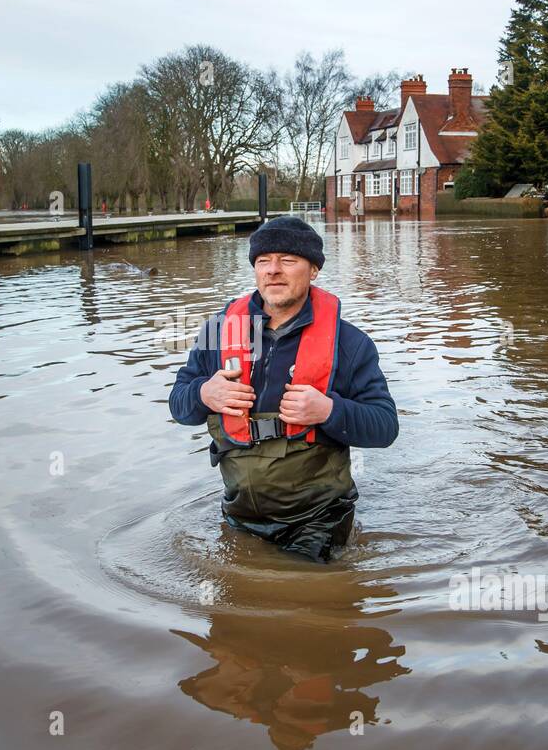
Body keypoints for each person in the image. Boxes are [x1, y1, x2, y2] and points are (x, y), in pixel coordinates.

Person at [169, 216, 399, 562]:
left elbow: (385, 427)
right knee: (235, 609)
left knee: (302, 602)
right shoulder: (219, 333)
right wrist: (204, 393)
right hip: (240, 514)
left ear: (314, 270)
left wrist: (328, 411)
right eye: (264, 261)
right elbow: (179, 405)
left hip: (317, 520)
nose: (273, 270)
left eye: (288, 260)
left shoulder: (349, 344)